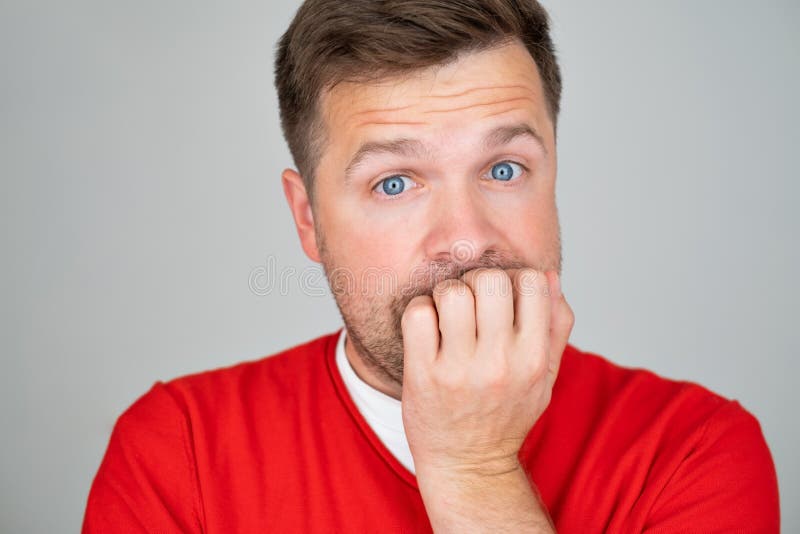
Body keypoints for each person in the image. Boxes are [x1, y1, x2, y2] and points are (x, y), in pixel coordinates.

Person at [82, 1, 780, 532]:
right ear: (309, 220)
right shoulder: (179, 452)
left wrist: (472, 469)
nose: (466, 240)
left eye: (505, 169)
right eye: (395, 182)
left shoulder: (693, 448)